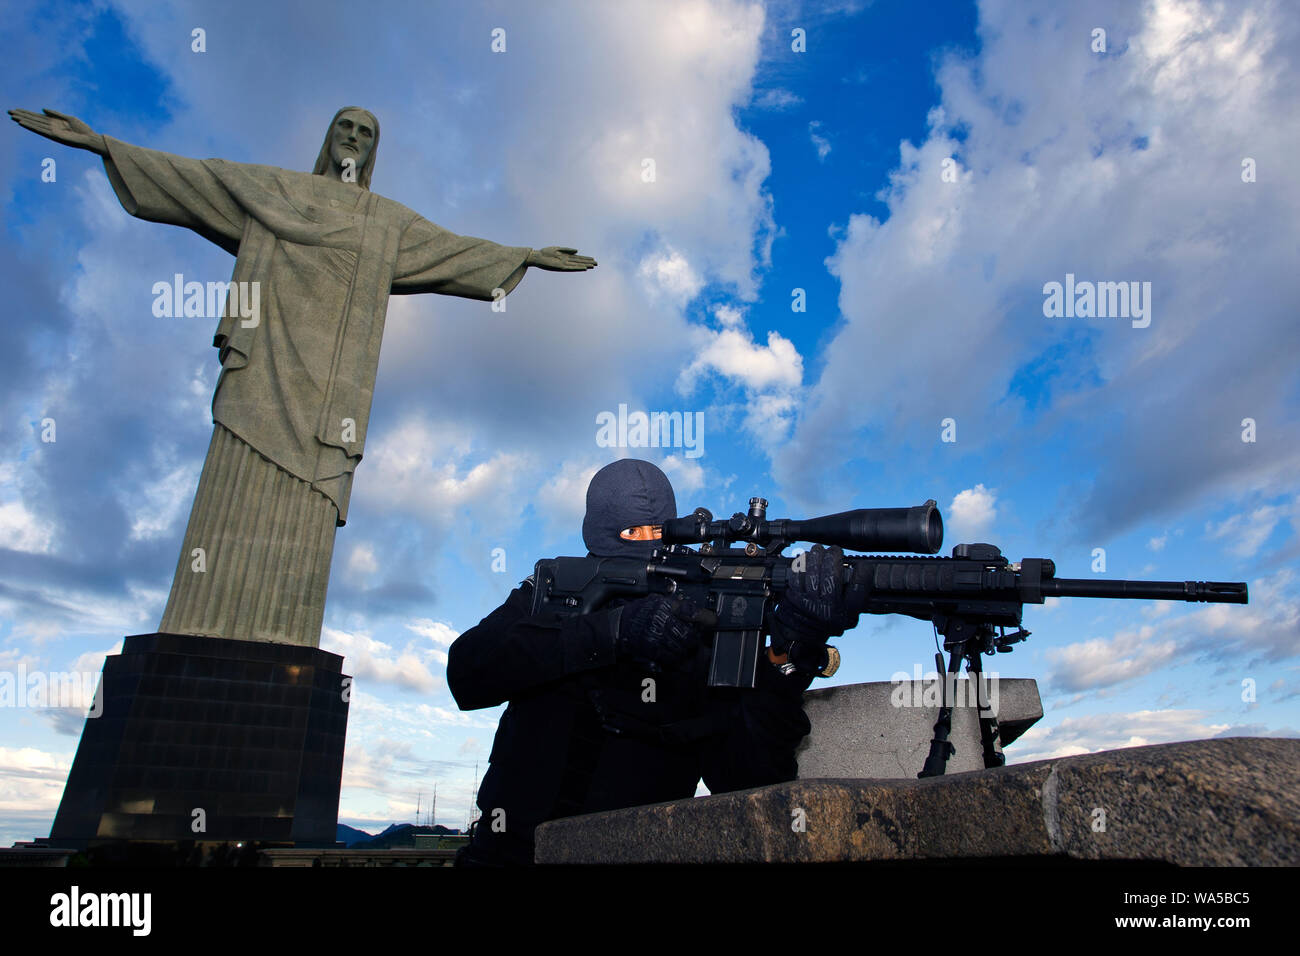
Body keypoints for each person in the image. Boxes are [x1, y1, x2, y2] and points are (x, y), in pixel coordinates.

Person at [447, 459, 857, 865]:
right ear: (598, 535)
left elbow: (751, 779)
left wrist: (790, 656)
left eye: (660, 531)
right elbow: (466, 673)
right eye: (632, 532)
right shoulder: (550, 598)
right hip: (508, 856)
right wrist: (614, 632)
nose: (648, 542)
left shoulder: (702, 629)